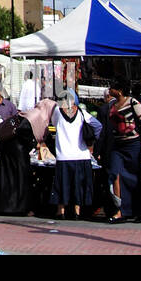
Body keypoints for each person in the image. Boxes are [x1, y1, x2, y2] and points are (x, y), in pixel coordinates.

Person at [49, 89, 101, 220]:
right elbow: (98, 126)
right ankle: (77, 211)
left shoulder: (57, 112)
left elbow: (54, 124)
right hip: (81, 155)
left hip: (63, 156)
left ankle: (61, 210)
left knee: (62, 184)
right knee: (78, 184)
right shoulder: (83, 113)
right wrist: (92, 143)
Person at [104, 78, 141, 222]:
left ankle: (139, 211)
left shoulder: (133, 103)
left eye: (112, 88)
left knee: (135, 178)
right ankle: (119, 209)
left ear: (120, 90)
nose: (110, 90)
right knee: (115, 173)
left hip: (134, 145)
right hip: (118, 145)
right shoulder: (112, 105)